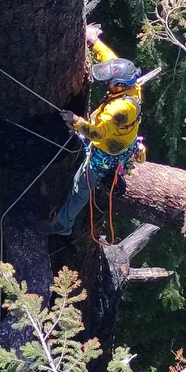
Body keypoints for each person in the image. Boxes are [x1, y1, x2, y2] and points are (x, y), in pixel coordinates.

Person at [36, 24, 146, 236]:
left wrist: (75, 121)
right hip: (122, 142)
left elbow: (97, 134)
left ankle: (63, 225)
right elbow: (111, 61)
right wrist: (94, 41)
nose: (107, 85)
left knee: (81, 186)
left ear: (119, 86)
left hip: (106, 153)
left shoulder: (119, 109)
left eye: (110, 83)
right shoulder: (132, 86)